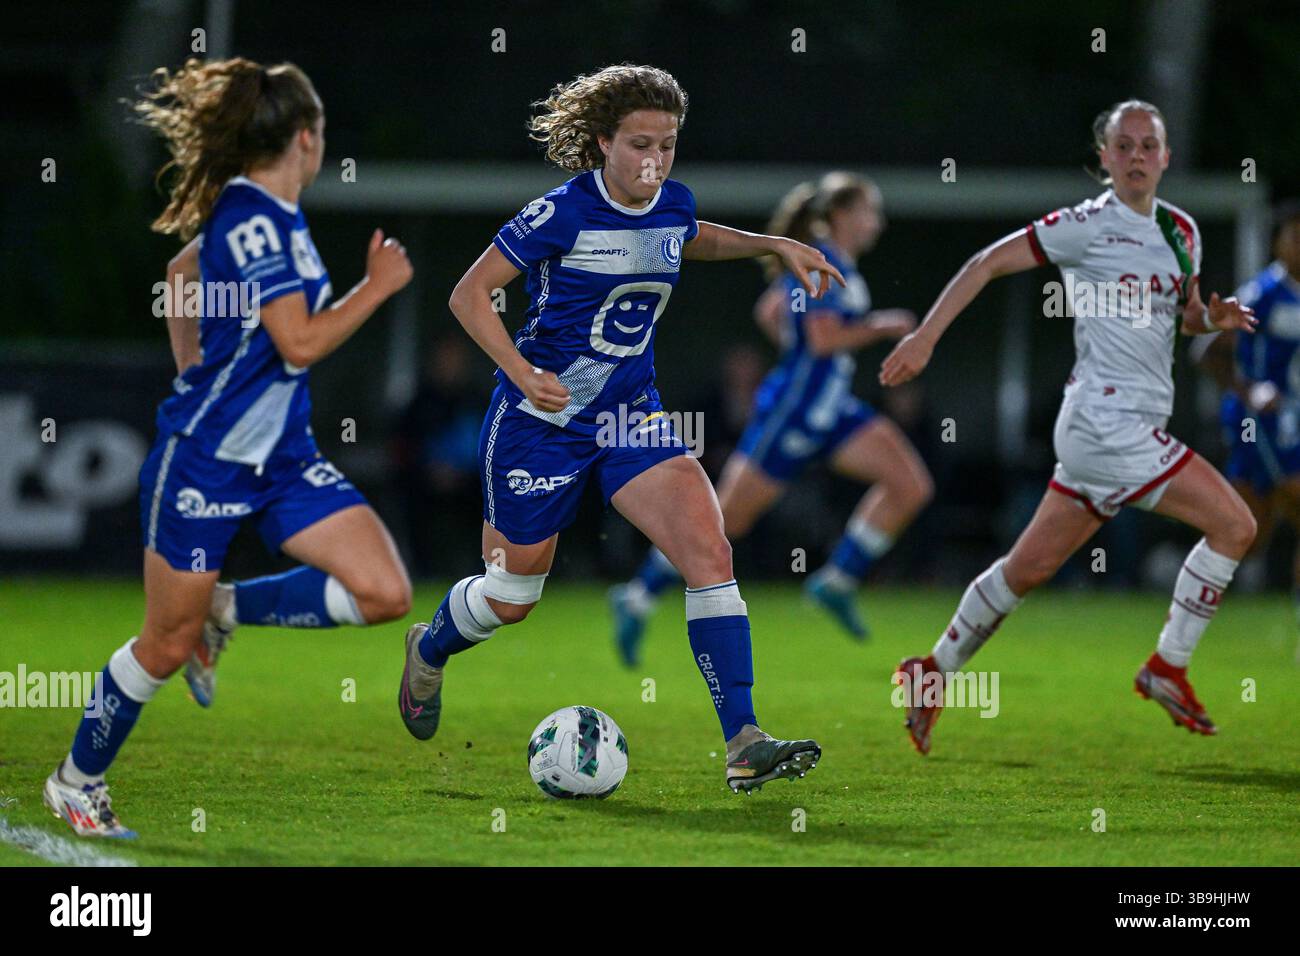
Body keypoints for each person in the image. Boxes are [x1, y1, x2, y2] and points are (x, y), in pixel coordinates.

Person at [396, 64, 842, 793]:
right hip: (540, 422)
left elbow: (690, 236)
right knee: (512, 597)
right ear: (603, 141)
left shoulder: (671, 203)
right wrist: (515, 369)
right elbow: (468, 294)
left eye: (667, 145)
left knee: (708, 548)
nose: (655, 161)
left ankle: (744, 740)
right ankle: (432, 647)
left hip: (630, 415)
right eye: (639, 144)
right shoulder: (562, 213)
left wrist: (772, 244)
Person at [44, 57, 414, 837]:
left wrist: (194, 366)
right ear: (306, 139)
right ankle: (76, 782)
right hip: (206, 461)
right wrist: (375, 288)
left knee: (384, 593)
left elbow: (182, 272)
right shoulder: (259, 219)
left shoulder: (261, 212)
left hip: (280, 460)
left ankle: (230, 605)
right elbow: (300, 341)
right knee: (165, 644)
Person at [879, 99, 1258, 755]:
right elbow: (986, 263)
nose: (1137, 156)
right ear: (1104, 159)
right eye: (1124, 145)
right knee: (1236, 525)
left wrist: (1210, 320)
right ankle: (1168, 664)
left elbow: (1184, 315)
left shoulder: (1181, 232)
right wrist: (925, 337)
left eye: (1149, 145)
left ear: (1165, 158)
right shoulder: (1084, 225)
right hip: (1106, 423)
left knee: (1026, 570)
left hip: (1116, 430)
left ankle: (931, 671)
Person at [610, 173, 932, 663]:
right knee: (724, 521)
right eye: (869, 211)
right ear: (841, 216)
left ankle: (838, 580)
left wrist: (797, 340)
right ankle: (638, 596)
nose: (877, 222)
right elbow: (823, 339)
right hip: (795, 411)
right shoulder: (823, 264)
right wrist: (880, 326)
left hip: (832, 407)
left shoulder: (833, 263)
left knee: (909, 484)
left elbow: (771, 309)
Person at [1198, 202, 1300, 617]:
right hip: (1259, 423)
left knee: (1248, 533)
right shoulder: (1263, 293)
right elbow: (1205, 350)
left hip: (1292, 421)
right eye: (1296, 236)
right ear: (1278, 242)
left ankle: (1187, 582)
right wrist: (1249, 390)